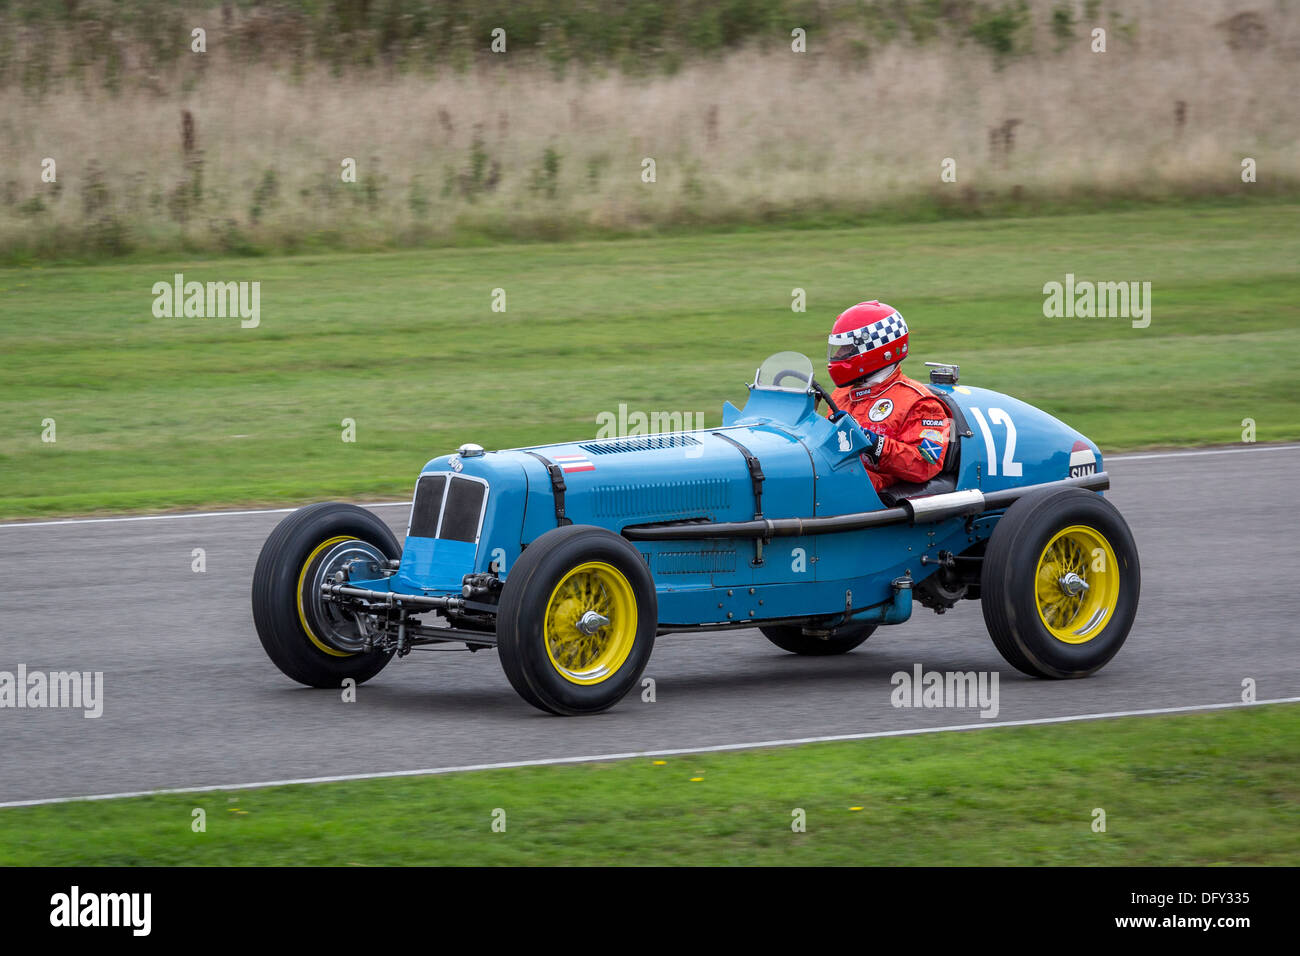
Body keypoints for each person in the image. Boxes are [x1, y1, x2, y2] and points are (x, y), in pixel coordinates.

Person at [825, 301, 951, 492]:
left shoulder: (921, 404)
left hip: (870, 495)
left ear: (876, 349)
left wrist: (873, 443)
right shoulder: (841, 394)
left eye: (847, 348)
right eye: (839, 348)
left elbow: (925, 463)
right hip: (836, 479)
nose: (839, 354)